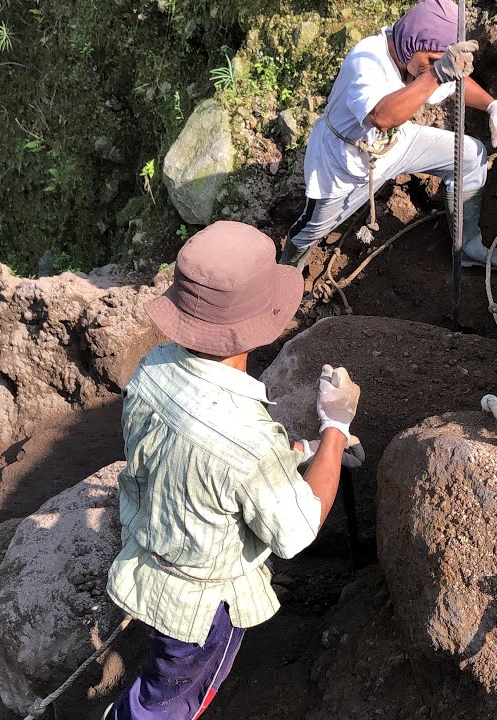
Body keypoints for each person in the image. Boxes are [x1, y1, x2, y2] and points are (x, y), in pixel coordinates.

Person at [104, 220, 364, 720]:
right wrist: (334, 427)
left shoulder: (153, 368)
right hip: (200, 608)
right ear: (264, 320)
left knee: (160, 682)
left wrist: (297, 451)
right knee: (170, 701)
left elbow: (198, 458)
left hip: (146, 558)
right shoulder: (246, 438)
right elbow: (297, 530)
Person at [280, 0, 497, 273]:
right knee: (312, 229)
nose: (432, 70)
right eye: (430, 61)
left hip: (393, 145)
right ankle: (287, 271)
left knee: (469, 155)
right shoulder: (366, 59)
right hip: (343, 164)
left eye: (438, 64)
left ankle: (468, 248)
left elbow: (453, 84)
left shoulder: (421, 62)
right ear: (411, 42)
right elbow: (381, 117)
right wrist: (436, 75)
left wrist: (493, 106)